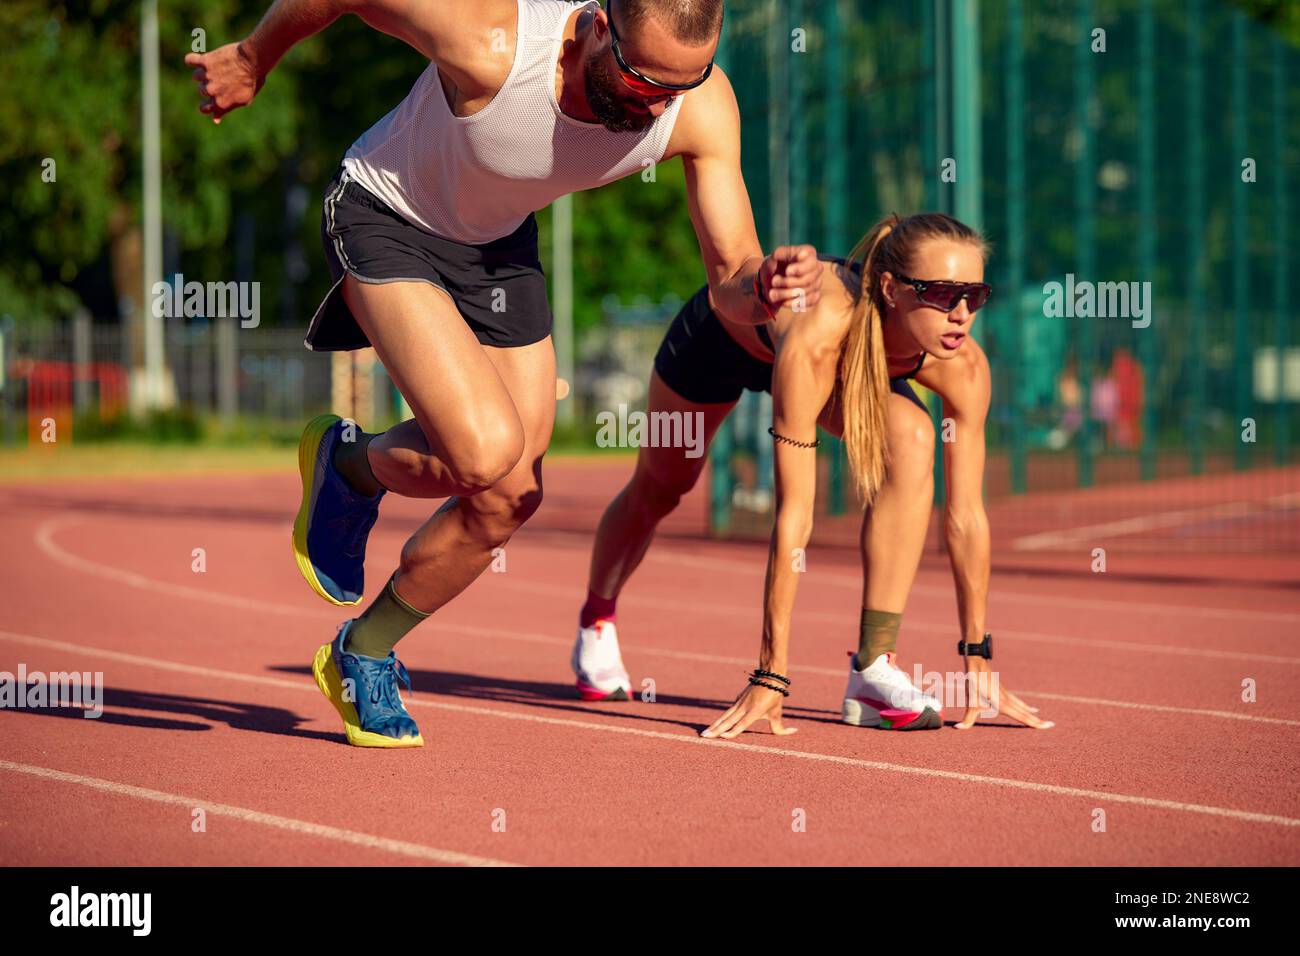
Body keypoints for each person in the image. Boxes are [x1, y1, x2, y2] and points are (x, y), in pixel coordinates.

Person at [187, 0, 823, 747]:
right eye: (642, 80)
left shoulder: (699, 106)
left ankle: (361, 645)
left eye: (675, 89)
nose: (656, 105)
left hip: (494, 248)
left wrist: (764, 285)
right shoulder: (493, 41)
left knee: (512, 494)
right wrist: (257, 57)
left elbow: (728, 277)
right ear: (597, 27)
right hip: (387, 213)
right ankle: (351, 466)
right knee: (485, 453)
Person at [574, 212, 1055, 736]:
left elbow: (966, 517)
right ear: (891, 290)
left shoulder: (964, 367)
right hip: (718, 344)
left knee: (914, 439)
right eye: (941, 294)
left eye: (974, 296)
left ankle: (874, 666)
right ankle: (597, 618)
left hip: (845, 367)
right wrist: (771, 673)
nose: (961, 314)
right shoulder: (819, 332)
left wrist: (977, 660)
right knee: (662, 488)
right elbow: (794, 515)